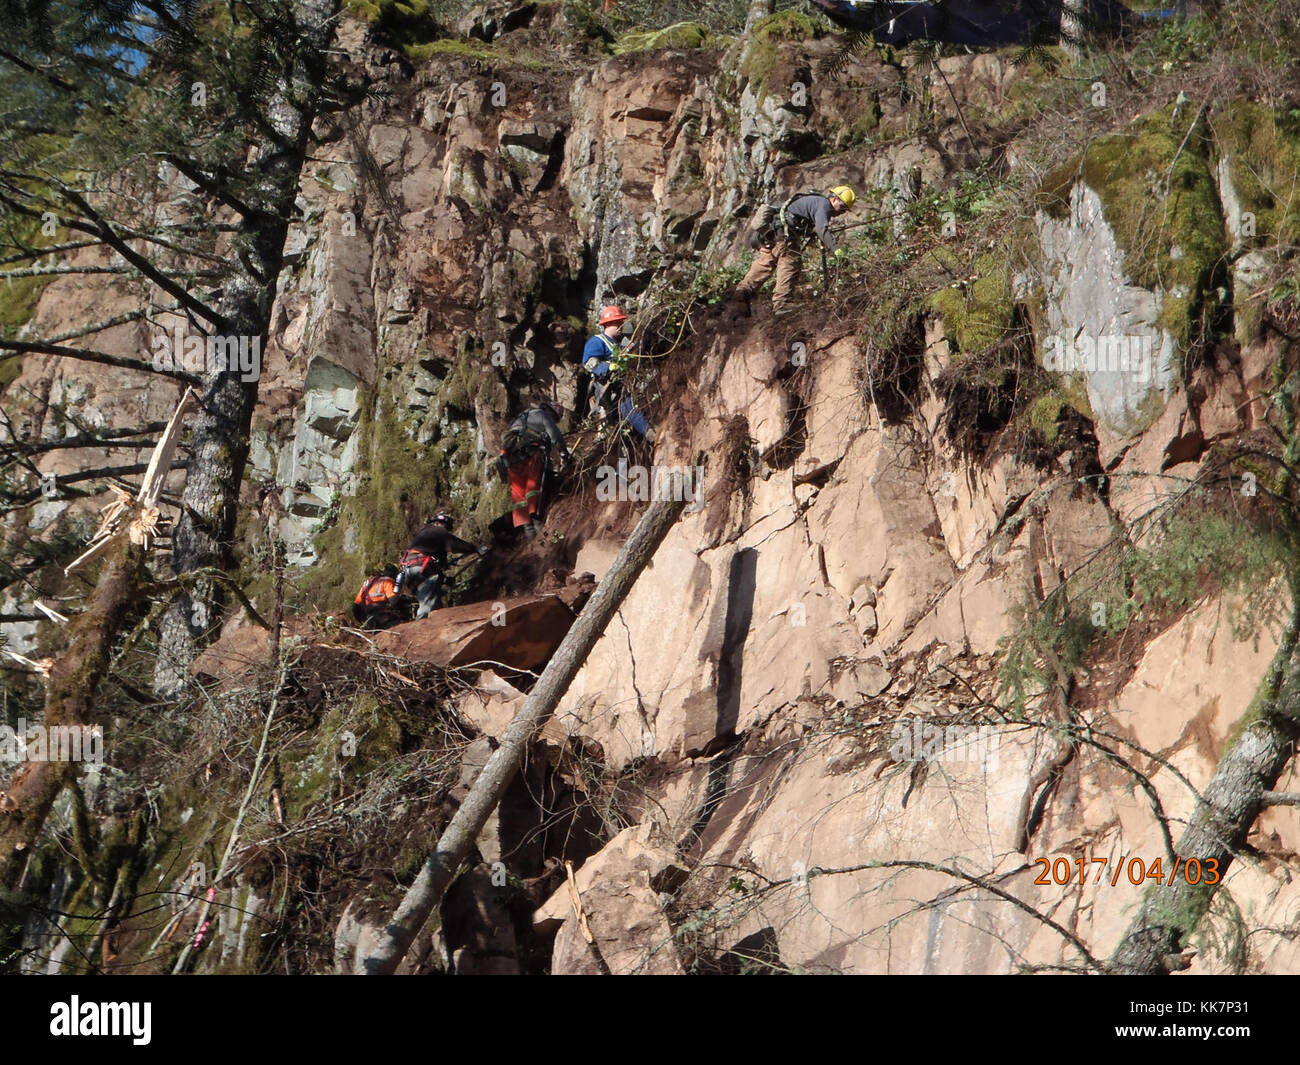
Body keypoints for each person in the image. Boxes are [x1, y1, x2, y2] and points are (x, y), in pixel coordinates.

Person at [735, 185, 856, 315]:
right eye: (842, 207)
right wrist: (836, 249)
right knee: (790, 263)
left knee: (765, 263)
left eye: (845, 211)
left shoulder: (815, 201)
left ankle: (740, 294)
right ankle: (781, 304)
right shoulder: (824, 205)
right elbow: (822, 229)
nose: (841, 212)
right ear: (834, 199)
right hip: (784, 236)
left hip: (771, 234)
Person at [497, 402, 571, 540]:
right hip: (530, 455)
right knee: (534, 489)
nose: (554, 421)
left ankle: (529, 531)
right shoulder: (543, 415)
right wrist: (564, 453)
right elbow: (555, 436)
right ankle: (539, 526)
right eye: (555, 419)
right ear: (551, 412)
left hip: (510, 460)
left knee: (519, 496)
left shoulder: (521, 418)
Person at [581, 305, 654, 442]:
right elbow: (590, 364)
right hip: (607, 390)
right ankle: (651, 436)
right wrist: (609, 366)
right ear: (609, 324)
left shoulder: (617, 345)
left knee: (629, 411)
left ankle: (648, 436)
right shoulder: (597, 341)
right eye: (618, 322)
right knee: (628, 409)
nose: (621, 326)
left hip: (622, 387)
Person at [397, 512, 489, 619]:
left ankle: (432, 626)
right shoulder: (438, 531)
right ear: (444, 524)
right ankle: (424, 628)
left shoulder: (424, 535)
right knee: (427, 608)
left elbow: (439, 563)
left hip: (409, 571)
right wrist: (475, 548)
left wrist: (444, 579)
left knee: (433, 601)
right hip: (422, 569)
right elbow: (456, 544)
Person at [352, 564, 407, 631]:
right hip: (382, 617)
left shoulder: (368, 583)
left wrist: (362, 622)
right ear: (394, 575)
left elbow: (355, 607)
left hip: (369, 619)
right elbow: (393, 601)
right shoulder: (387, 581)